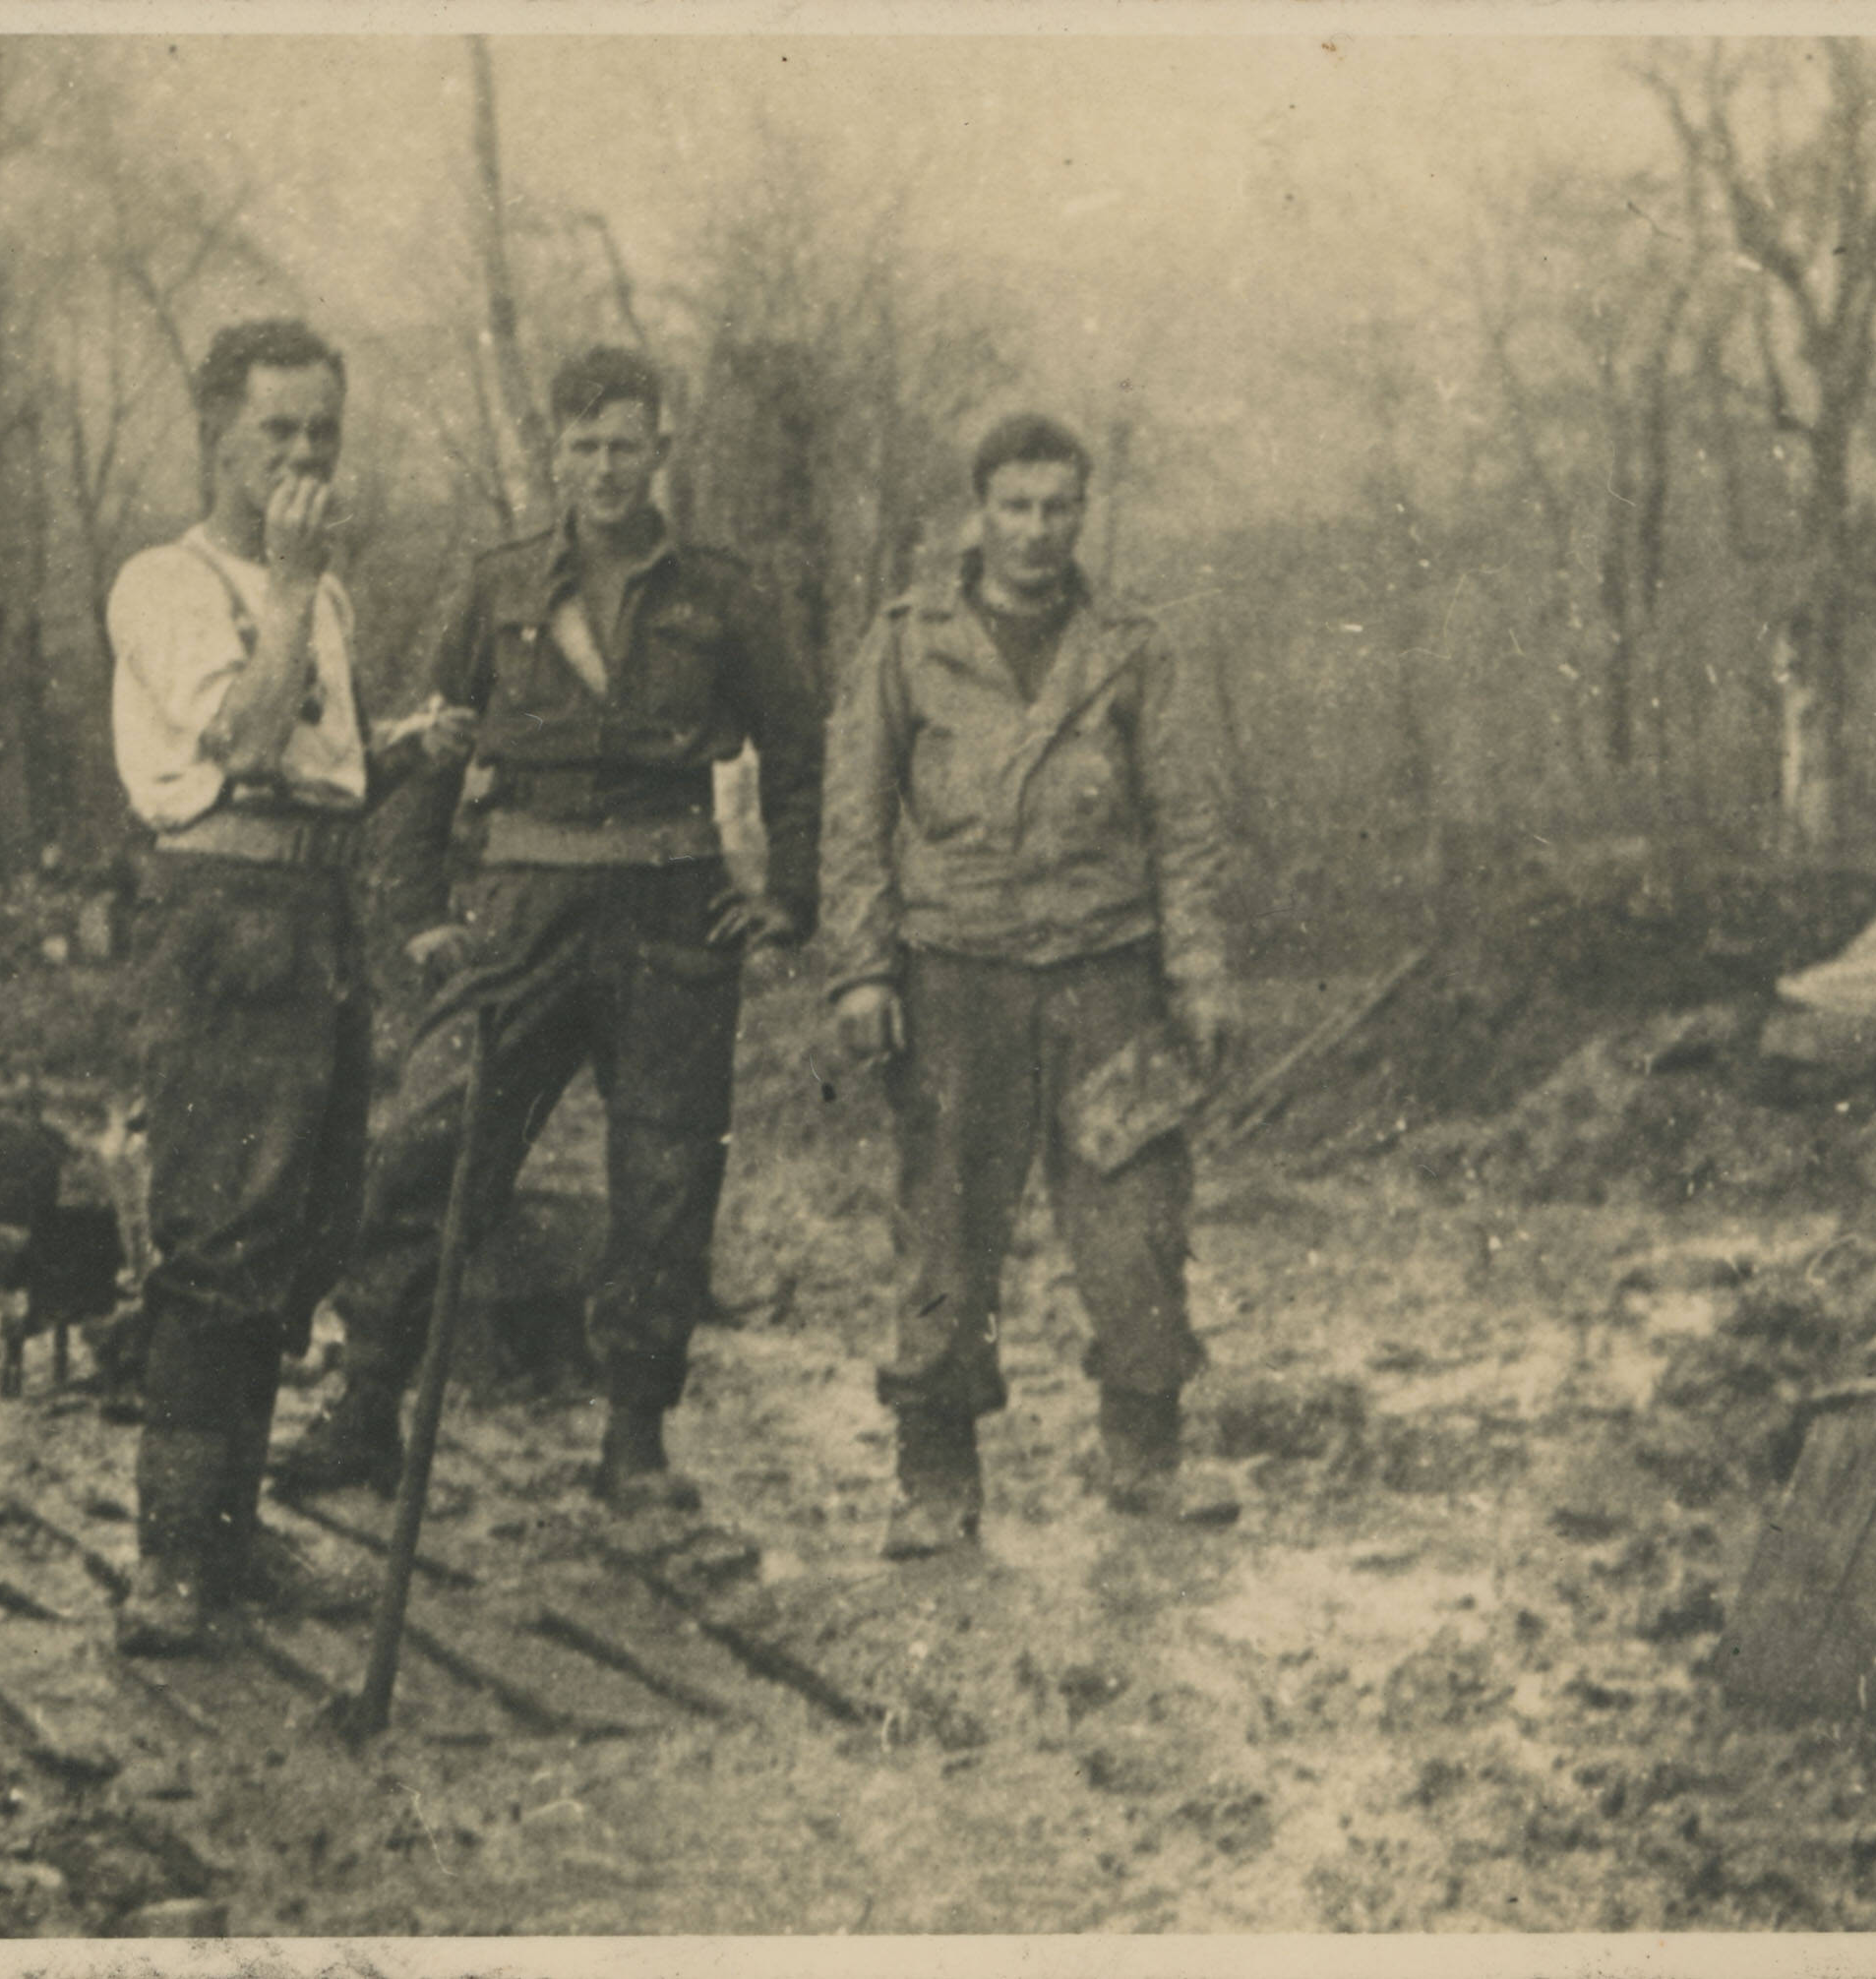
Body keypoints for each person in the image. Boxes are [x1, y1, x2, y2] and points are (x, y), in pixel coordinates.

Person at [276, 345, 822, 1514]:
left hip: (674, 919)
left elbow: (800, 746)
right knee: (428, 1143)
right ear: (553, 453)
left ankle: (634, 1435)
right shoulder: (495, 586)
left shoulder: (718, 593)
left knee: (666, 1177)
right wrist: (417, 909)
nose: (605, 467)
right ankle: (365, 1402)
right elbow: (431, 745)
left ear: (660, 448)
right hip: (517, 916)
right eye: (582, 445)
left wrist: (789, 893)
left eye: (626, 443)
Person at [104, 319, 471, 1654]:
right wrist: (298, 579)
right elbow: (245, 738)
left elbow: (318, 765)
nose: (306, 454)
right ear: (215, 439)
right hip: (225, 921)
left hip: (316, 914)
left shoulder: (318, 592)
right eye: (278, 431)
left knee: (305, 1231)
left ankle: (229, 1537)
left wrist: (406, 748)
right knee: (219, 1232)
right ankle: (169, 1564)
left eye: (323, 430)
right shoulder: (164, 581)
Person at [820, 412, 1242, 1560]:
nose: (1036, 529)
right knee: (947, 1230)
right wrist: (860, 969)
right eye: (1014, 505)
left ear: (1082, 512)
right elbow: (853, 817)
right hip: (956, 979)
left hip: (1109, 980)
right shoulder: (908, 641)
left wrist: (1196, 975)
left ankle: (1144, 1456)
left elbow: (1186, 826)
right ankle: (935, 1476)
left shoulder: (1132, 647)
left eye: (1059, 506)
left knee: (1136, 1223)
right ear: (978, 512)